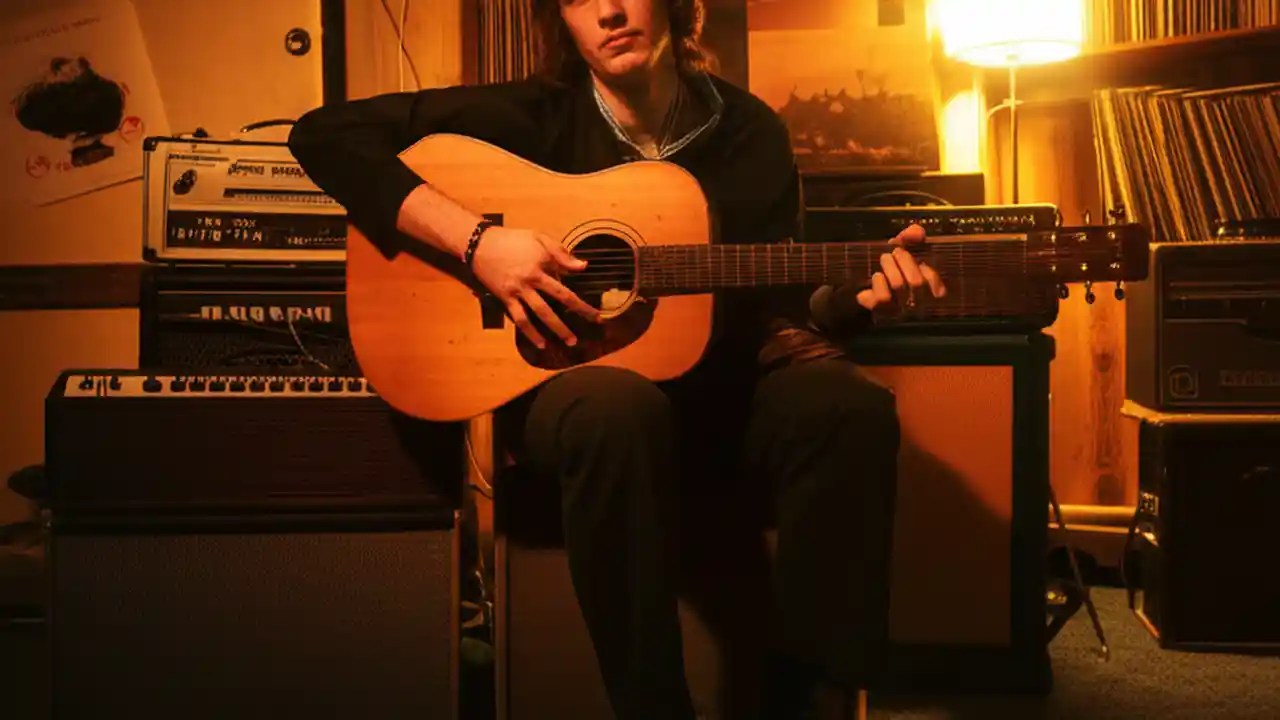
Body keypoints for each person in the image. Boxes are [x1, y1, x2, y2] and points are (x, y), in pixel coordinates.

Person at [288, 1, 946, 717]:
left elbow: (787, 306)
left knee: (851, 409)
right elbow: (324, 135)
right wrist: (480, 244)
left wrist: (862, 301)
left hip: (724, 396)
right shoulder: (531, 117)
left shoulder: (751, 132)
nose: (606, 10)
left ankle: (810, 698)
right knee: (617, 406)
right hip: (573, 395)